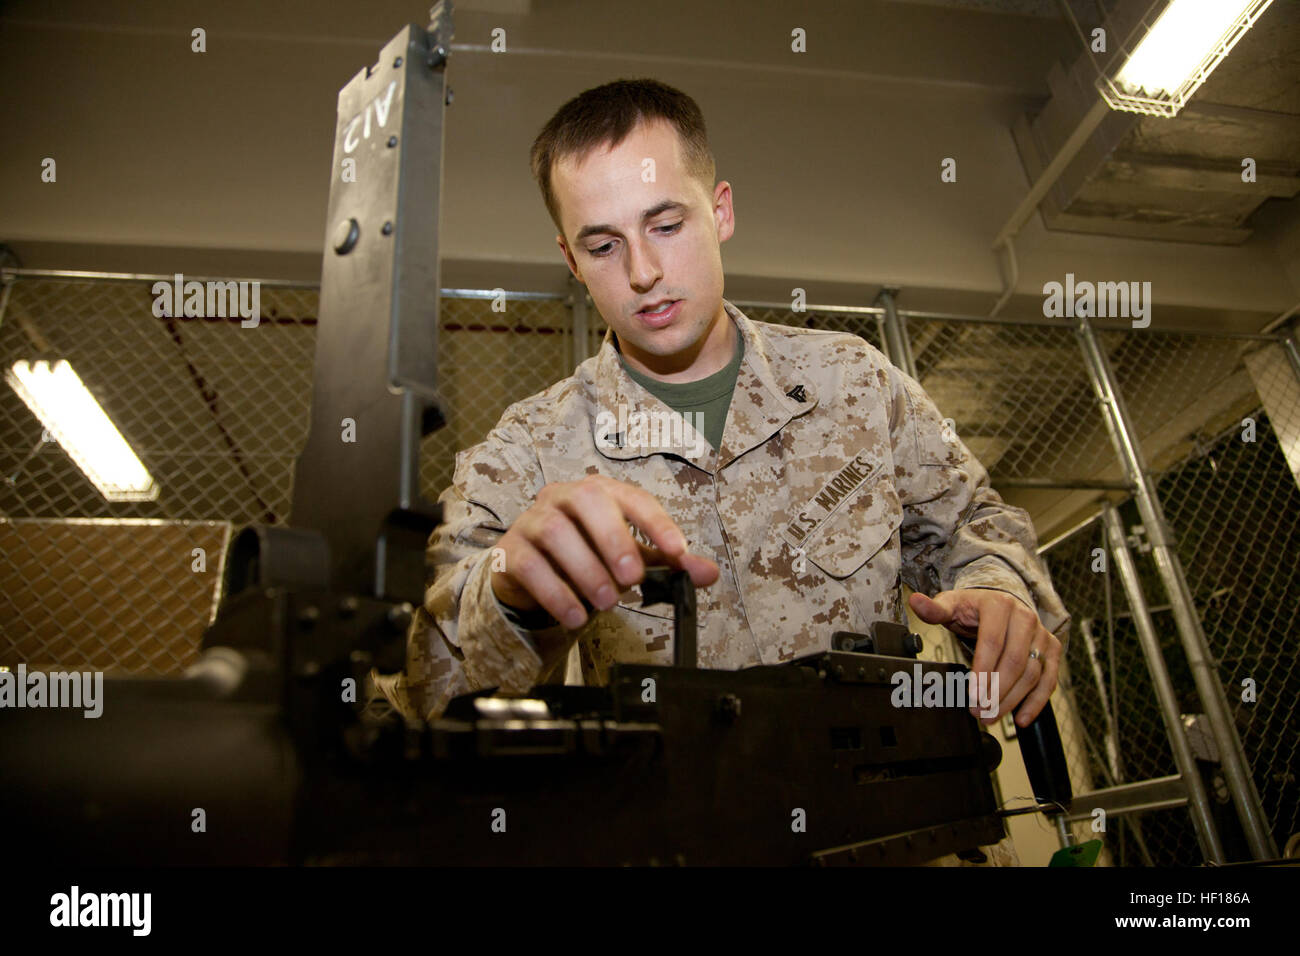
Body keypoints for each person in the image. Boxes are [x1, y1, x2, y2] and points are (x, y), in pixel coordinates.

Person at [372, 78, 1071, 867]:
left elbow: (983, 524)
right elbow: (427, 698)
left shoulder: (854, 383)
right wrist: (510, 596)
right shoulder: (525, 452)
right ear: (569, 259)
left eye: (666, 224)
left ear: (722, 211)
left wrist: (1003, 592)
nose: (642, 272)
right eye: (603, 245)